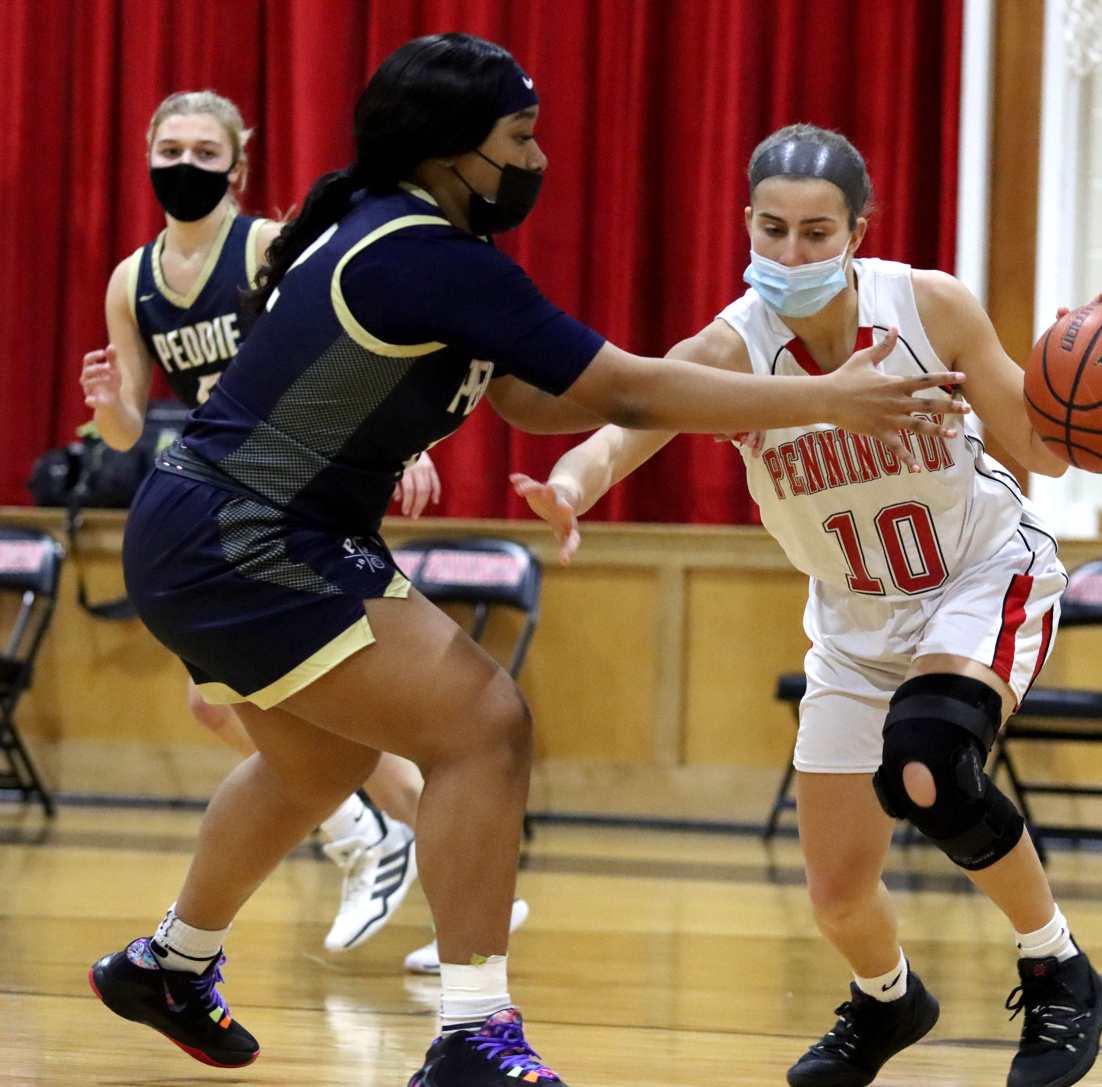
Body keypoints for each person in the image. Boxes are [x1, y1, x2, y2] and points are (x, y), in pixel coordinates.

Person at [87, 40, 949, 1086]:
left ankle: (170, 965)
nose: (537, 158)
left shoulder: (417, 243)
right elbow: (627, 392)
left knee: (319, 762)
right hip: (247, 533)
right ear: (454, 150)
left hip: (212, 528)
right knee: (485, 727)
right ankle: (470, 1035)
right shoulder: (421, 253)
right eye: (520, 139)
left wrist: (668, 411)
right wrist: (818, 395)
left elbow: (546, 400)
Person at [515, 125, 1102, 1087]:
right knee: (840, 897)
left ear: (857, 229)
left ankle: (1058, 966)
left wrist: (1079, 375)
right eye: (772, 230)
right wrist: (570, 481)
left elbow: (1044, 451)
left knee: (929, 764)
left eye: (816, 232)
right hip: (852, 623)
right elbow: (627, 425)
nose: (792, 253)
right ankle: (888, 1000)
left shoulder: (929, 306)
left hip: (978, 576)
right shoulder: (731, 348)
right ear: (748, 227)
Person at [75, 90, 452, 960]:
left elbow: (361, 340)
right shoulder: (132, 281)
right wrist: (109, 410)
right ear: (146, 153)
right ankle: (410, 852)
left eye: (207, 152)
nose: (186, 164)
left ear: (239, 168)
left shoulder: (264, 246)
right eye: (171, 147)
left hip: (300, 484)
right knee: (263, 707)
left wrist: (401, 441)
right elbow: (130, 426)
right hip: (217, 491)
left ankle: (375, 841)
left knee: (293, 705)